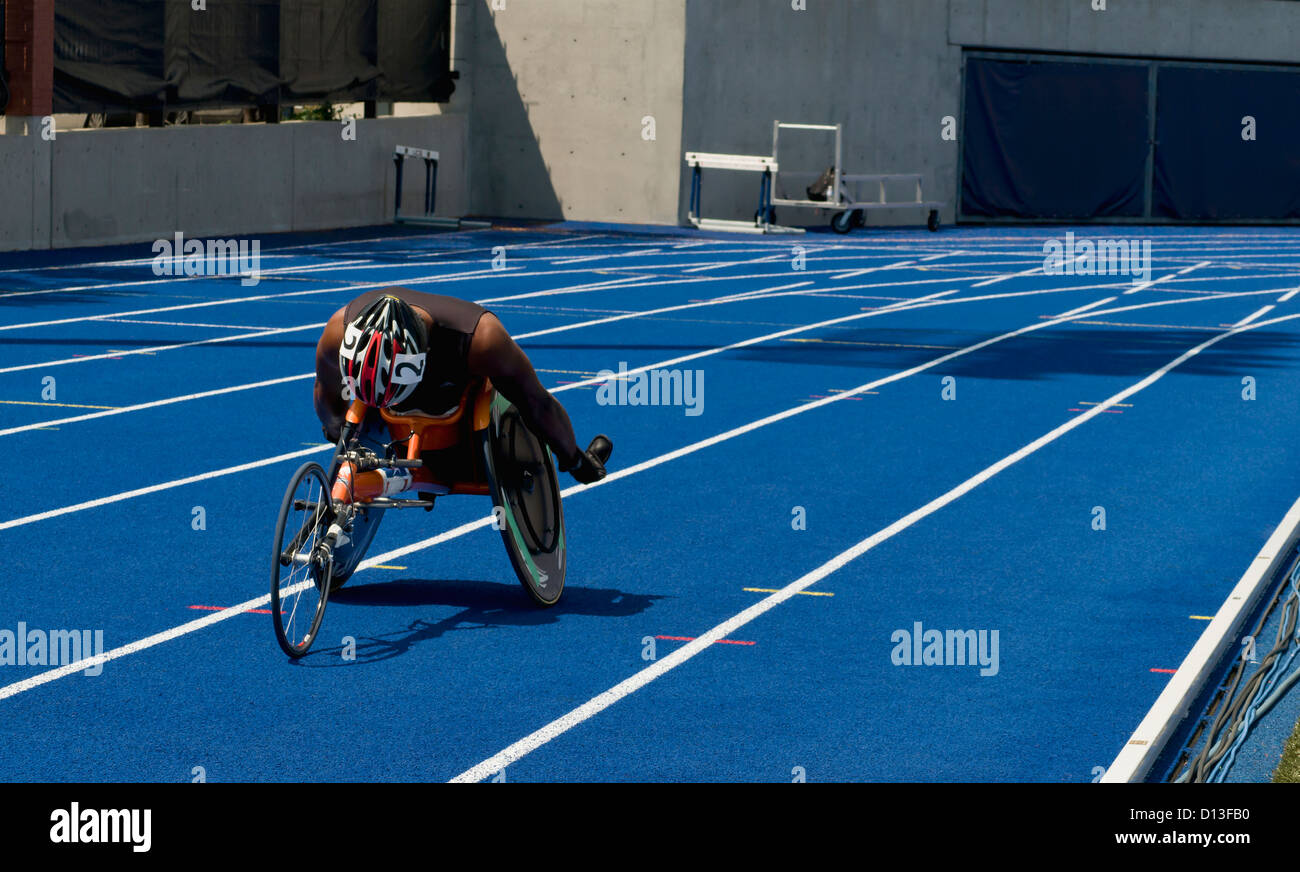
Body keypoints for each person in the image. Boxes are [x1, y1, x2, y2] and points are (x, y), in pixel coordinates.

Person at [313, 288, 611, 582]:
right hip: (391, 425)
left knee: (498, 402)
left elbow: (536, 402)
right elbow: (327, 398)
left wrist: (573, 459)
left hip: (459, 430)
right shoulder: (337, 332)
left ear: (423, 358)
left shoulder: (482, 339)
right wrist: (339, 433)